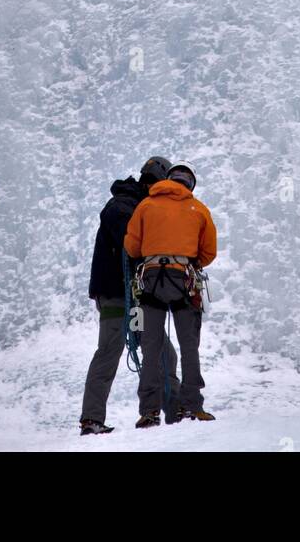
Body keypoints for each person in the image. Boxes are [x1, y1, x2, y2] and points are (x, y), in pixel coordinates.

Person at [79, 156, 181, 435]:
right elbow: (132, 237)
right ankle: (91, 419)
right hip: (116, 296)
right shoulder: (123, 204)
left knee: (162, 352)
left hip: (132, 298)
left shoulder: (138, 206)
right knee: (110, 351)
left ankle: (173, 411)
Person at [123, 161, 217, 427]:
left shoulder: (145, 205)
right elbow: (208, 253)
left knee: (150, 348)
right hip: (184, 280)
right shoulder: (198, 209)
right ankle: (192, 406)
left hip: (150, 280)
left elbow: (131, 246)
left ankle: (149, 411)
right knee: (189, 346)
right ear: (189, 184)